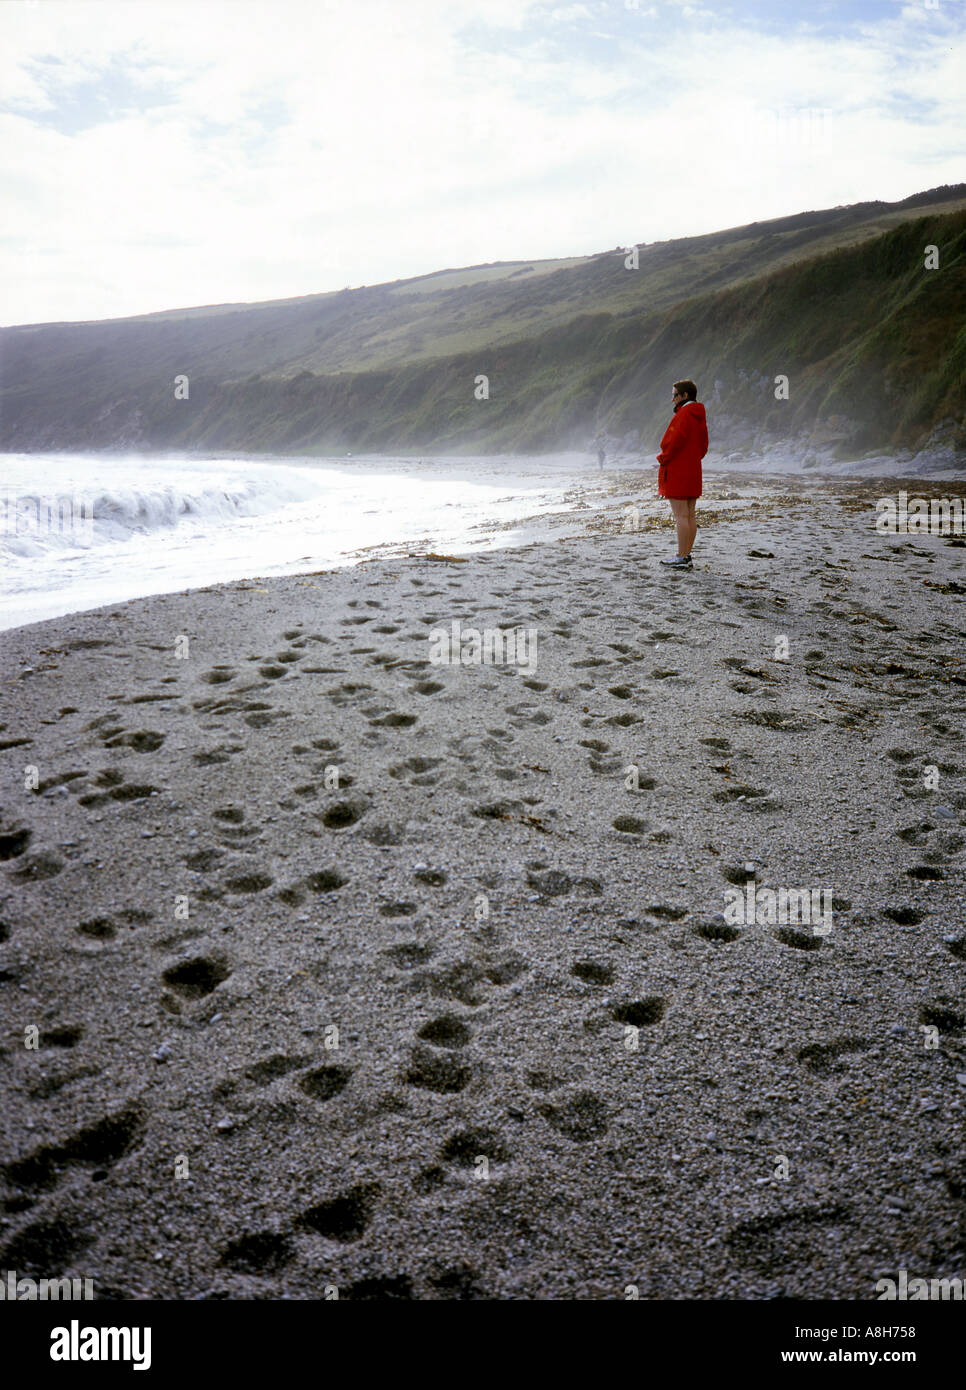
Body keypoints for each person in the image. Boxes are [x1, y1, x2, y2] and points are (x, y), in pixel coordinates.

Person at [656, 378, 707, 570]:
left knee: (681, 516)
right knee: (690, 515)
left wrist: (663, 458)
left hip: (678, 470)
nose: (672, 400)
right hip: (693, 469)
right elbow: (703, 447)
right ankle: (686, 556)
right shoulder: (699, 415)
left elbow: (670, 443)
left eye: (674, 395)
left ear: (685, 396)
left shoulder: (683, 415)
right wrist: (691, 458)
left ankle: (681, 556)